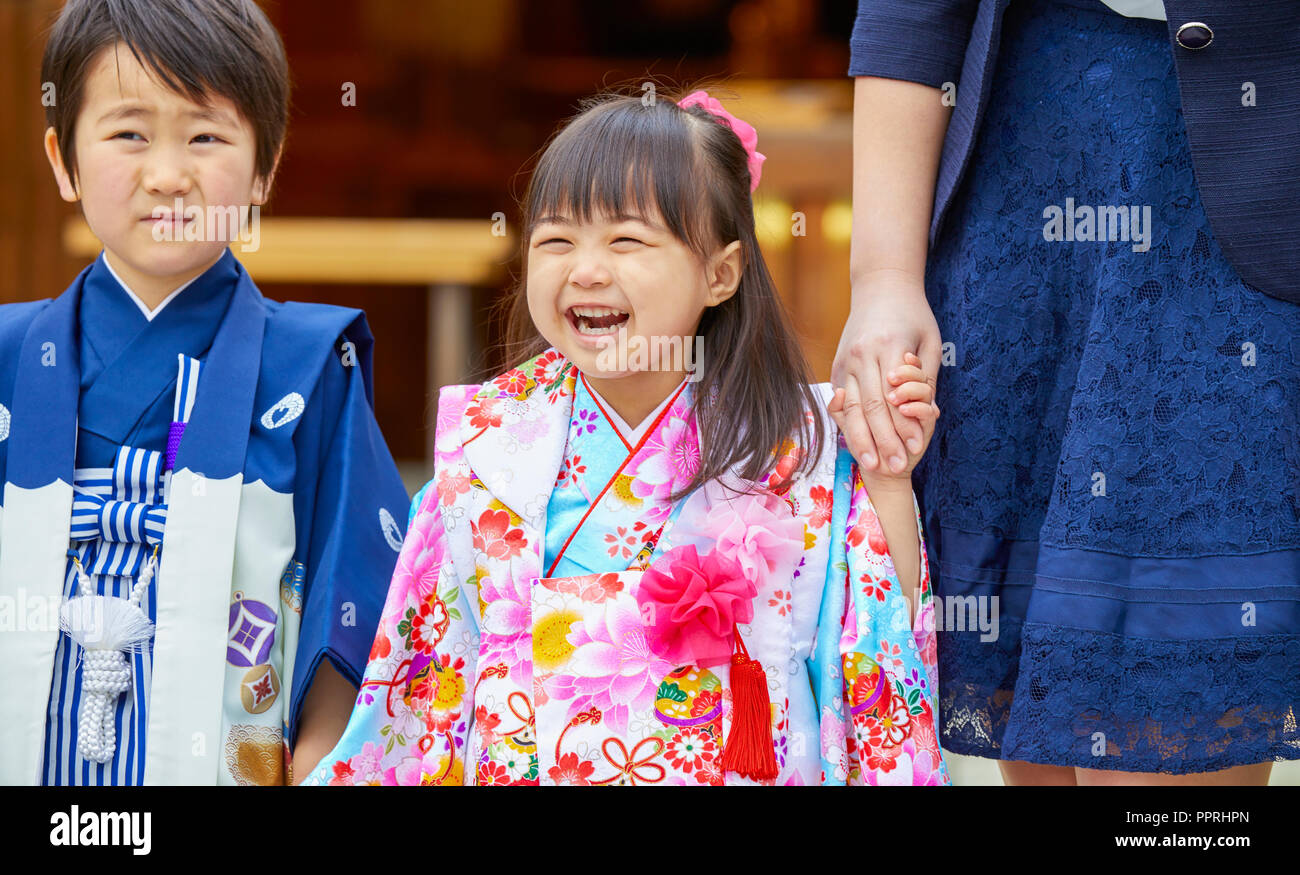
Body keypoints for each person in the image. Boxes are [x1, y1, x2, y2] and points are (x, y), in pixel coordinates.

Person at [305, 87, 950, 785]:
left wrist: (886, 479)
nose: (585, 269)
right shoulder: (487, 456)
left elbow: (874, 648)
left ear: (720, 273)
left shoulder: (797, 449)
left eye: (625, 240)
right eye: (556, 239)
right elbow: (422, 697)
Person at [833, 0, 1300, 783]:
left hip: (1245, 167)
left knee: (1174, 675)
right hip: (1018, 159)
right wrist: (884, 277)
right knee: (1033, 697)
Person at [0, 0, 409, 785]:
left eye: (206, 135)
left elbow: (357, 602)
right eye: (128, 134)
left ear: (266, 164)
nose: (168, 175)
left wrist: (321, 760)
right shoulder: (8, 359)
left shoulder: (308, 367)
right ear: (61, 158)